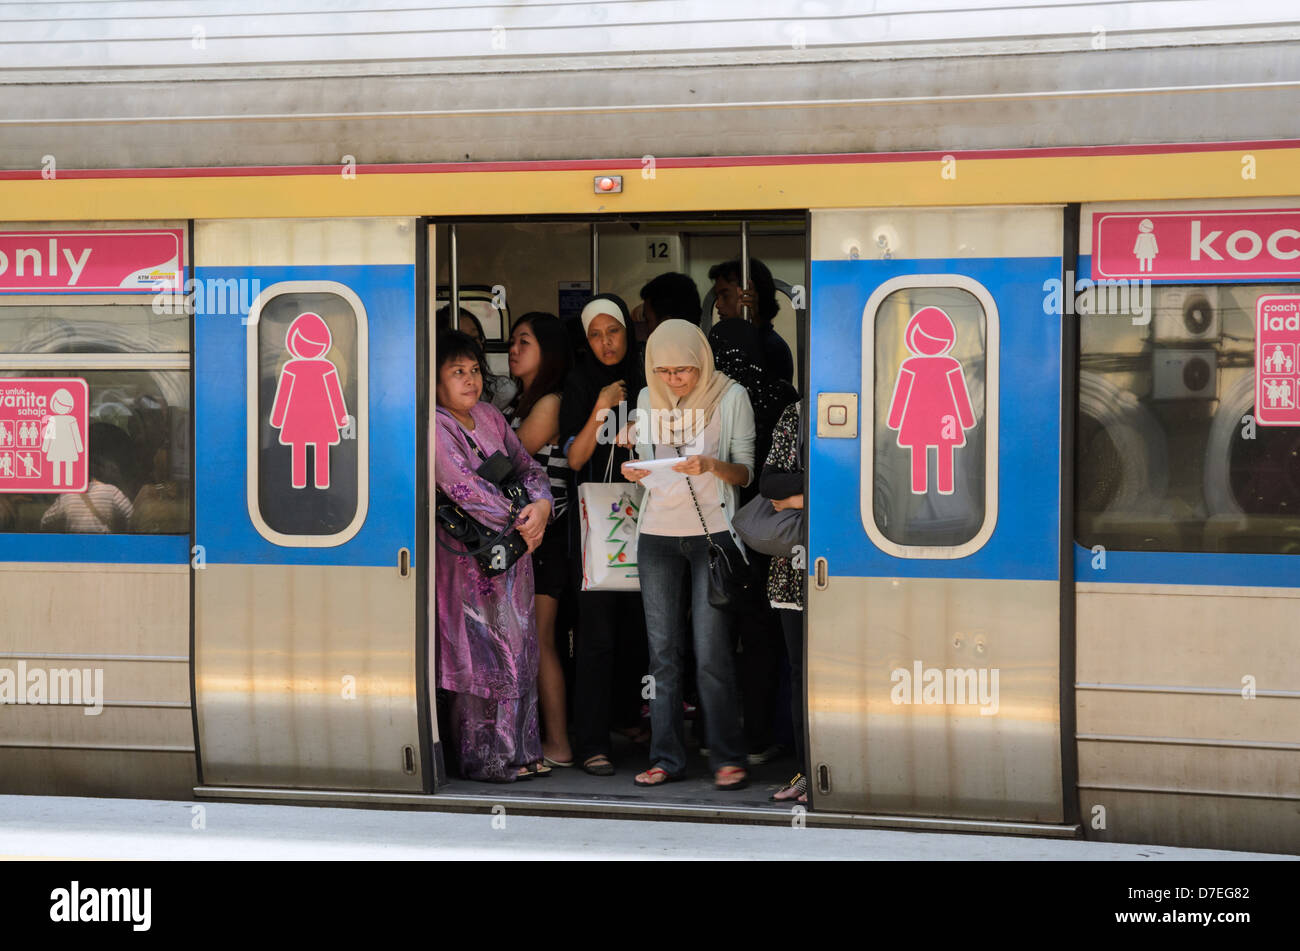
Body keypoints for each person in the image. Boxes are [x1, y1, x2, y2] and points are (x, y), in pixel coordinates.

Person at [623, 319, 755, 790]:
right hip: (656, 533)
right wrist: (634, 469)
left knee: (711, 652)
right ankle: (666, 758)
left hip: (713, 537)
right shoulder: (645, 399)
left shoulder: (730, 396)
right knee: (662, 654)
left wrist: (711, 465)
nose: (674, 380)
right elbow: (645, 462)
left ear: (702, 362)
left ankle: (726, 756)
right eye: (663, 371)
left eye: (684, 370)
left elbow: (745, 474)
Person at [433, 329, 553, 782]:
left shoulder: (488, 416)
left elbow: (528, 466)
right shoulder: (435, 424)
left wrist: (540, 506)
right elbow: (460, 486)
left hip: (515, 555)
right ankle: (486, 759)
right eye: (457, 372)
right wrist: (524, 519)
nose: (470, 381)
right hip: (470, 564)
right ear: (436, 381)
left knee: (519, 651)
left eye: (475, 371)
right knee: (480, 656)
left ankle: (522, 750)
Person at [560, 294, 649, 776]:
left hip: (652, 516)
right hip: (600, 522)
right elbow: (576, 459)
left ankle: (631, 720)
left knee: (642, 628)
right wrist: (601, 405)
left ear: (627, 332)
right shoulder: (580, 383)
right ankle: (593, 741)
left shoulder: (651, 374)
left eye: (612, 332)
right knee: (595, 633)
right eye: (595, 335)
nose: (605, 343)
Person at [503, 312, 575, 768]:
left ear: (547, 352)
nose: (512, 349)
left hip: (547, 535)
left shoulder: (548, 403)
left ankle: (559, 742)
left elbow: (508, 460)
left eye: (523, 342)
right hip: (532, 534)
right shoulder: (523, 400)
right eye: (512, 341)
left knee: (543, 640)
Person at [761, 401, 808, 802]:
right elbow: (770, 484)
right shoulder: (794, 413)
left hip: (854, 568)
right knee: (801, 674)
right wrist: (814, 490)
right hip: (793, 573)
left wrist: (799, 498)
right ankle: (807, 772)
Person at [709, 257, 794, 384]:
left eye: (725, 296)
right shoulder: (723, 345)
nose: (718, 304)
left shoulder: (773, 348)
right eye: (717, 297)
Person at [436, 305, 518, 411]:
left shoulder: (498, 395)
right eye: (459, 371)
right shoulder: (435, 418)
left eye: (475, 370)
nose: (470, 346)